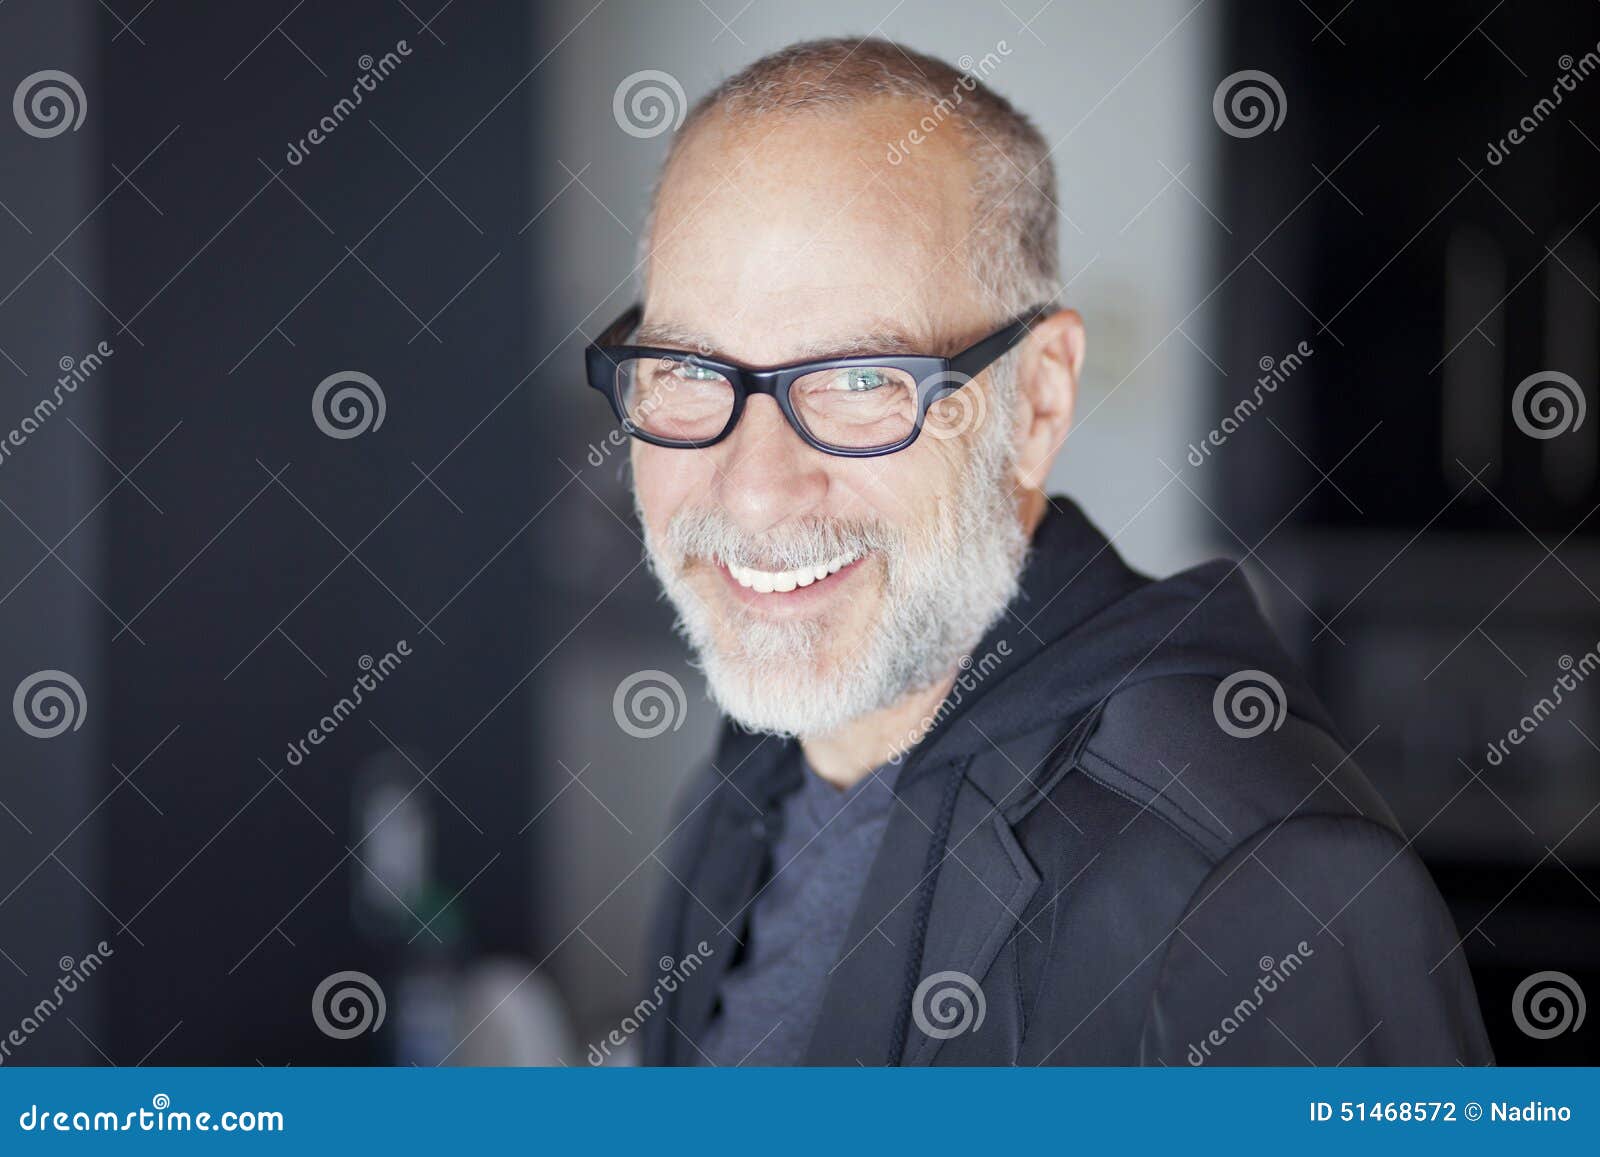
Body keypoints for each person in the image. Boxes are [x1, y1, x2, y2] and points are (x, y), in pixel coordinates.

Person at [585, 38, 1491, 1066]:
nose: (752, 488)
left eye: (859, 379)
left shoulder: (1262, 886)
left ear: (1038, 399)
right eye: (689, 369)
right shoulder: (743, 781)